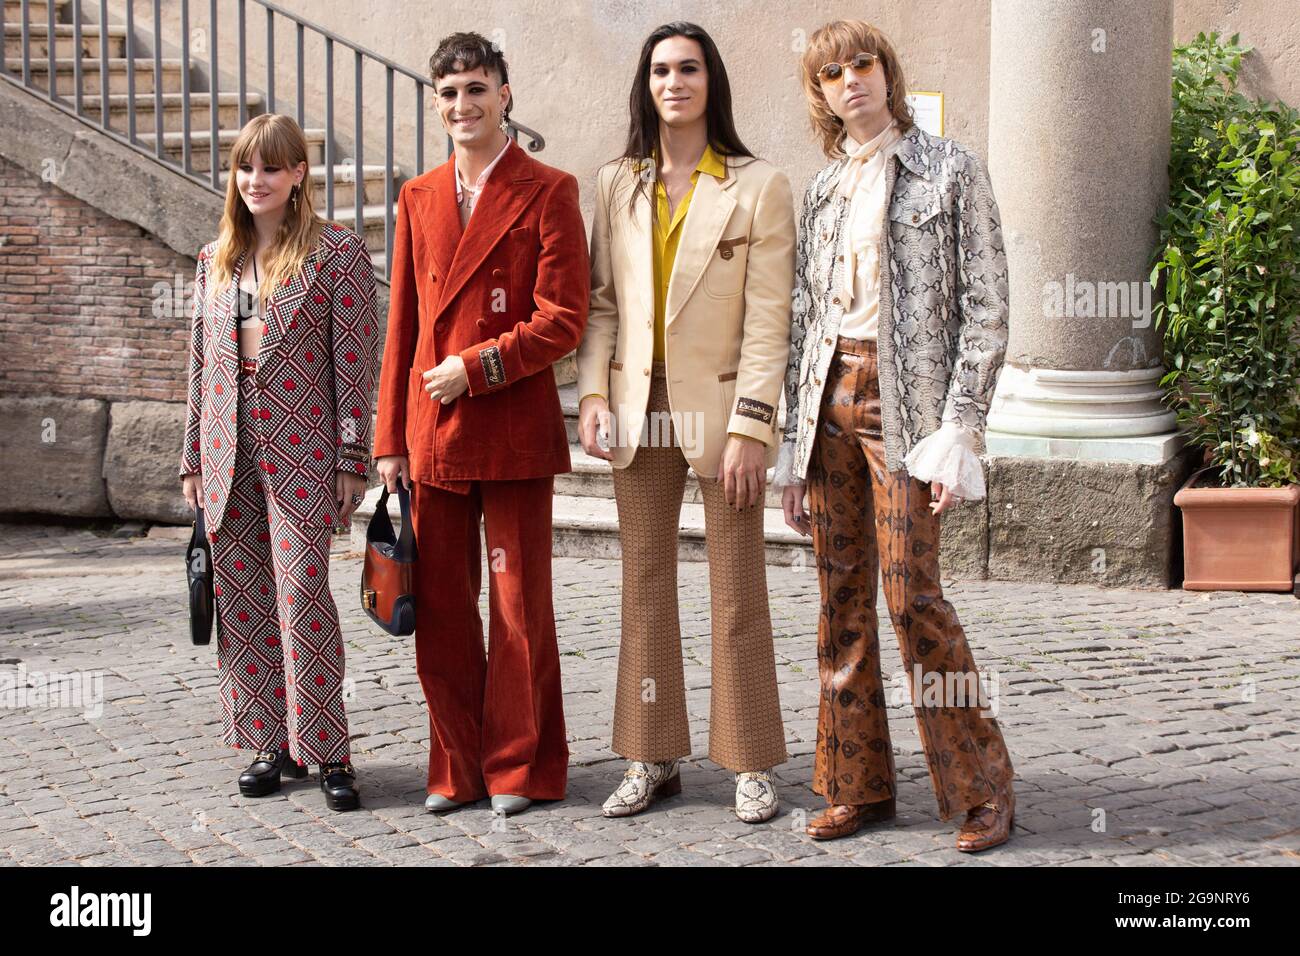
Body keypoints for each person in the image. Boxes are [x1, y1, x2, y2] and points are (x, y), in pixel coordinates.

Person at [775, 19, 1015, 850]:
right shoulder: (823, 189)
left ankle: (984, 786)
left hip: (906, 406)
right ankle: (858, 785)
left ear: (888, 72)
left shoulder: (951, 170)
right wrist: (789, 451)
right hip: (826, 401)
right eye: (833, 72)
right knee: (840, 599)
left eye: (863, 64)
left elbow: (985, 309)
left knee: (912, 596)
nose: (852, 81)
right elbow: (805, 318)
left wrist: (962, 429)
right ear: (821, 93)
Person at [576, 21, 796, 823]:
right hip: (639, 409)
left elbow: (771, 322)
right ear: (646, 85)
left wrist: (753, 426)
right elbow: (601, 304)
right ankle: (651, 753)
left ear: (712, 82)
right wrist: (592, 394)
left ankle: (748, 760)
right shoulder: (616, 183)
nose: (675, 81)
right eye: (661, 70)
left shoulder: (758, 185)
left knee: (737, 588)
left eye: (689, 68)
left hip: (722, 410)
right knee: (644, 584)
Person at [373, 32, 589, 816]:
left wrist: (480, 366)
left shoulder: (549, 188)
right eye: (449, 94)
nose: (462, 105)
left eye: (475, 89)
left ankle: (517, 767)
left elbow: (563, 319)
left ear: (506, 96)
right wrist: (388, 439)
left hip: (511, 430)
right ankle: (455, 768)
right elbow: (402, 324)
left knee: (517, 606)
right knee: (441, 607)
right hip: (431, 431)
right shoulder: (418, 196)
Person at [179, 113, 378, 812]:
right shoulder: (215, 260)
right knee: (242, 604)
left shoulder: (337, 256)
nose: (255, 181)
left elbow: (354, 366)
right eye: (245, 167)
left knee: (303, 599)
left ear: (298, 174)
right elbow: (201, 367)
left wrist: (353, 458)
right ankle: (268, 742)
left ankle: (328, 751)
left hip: (305, 454)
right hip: (225, 456)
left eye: (270, 167)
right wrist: (191, 460)